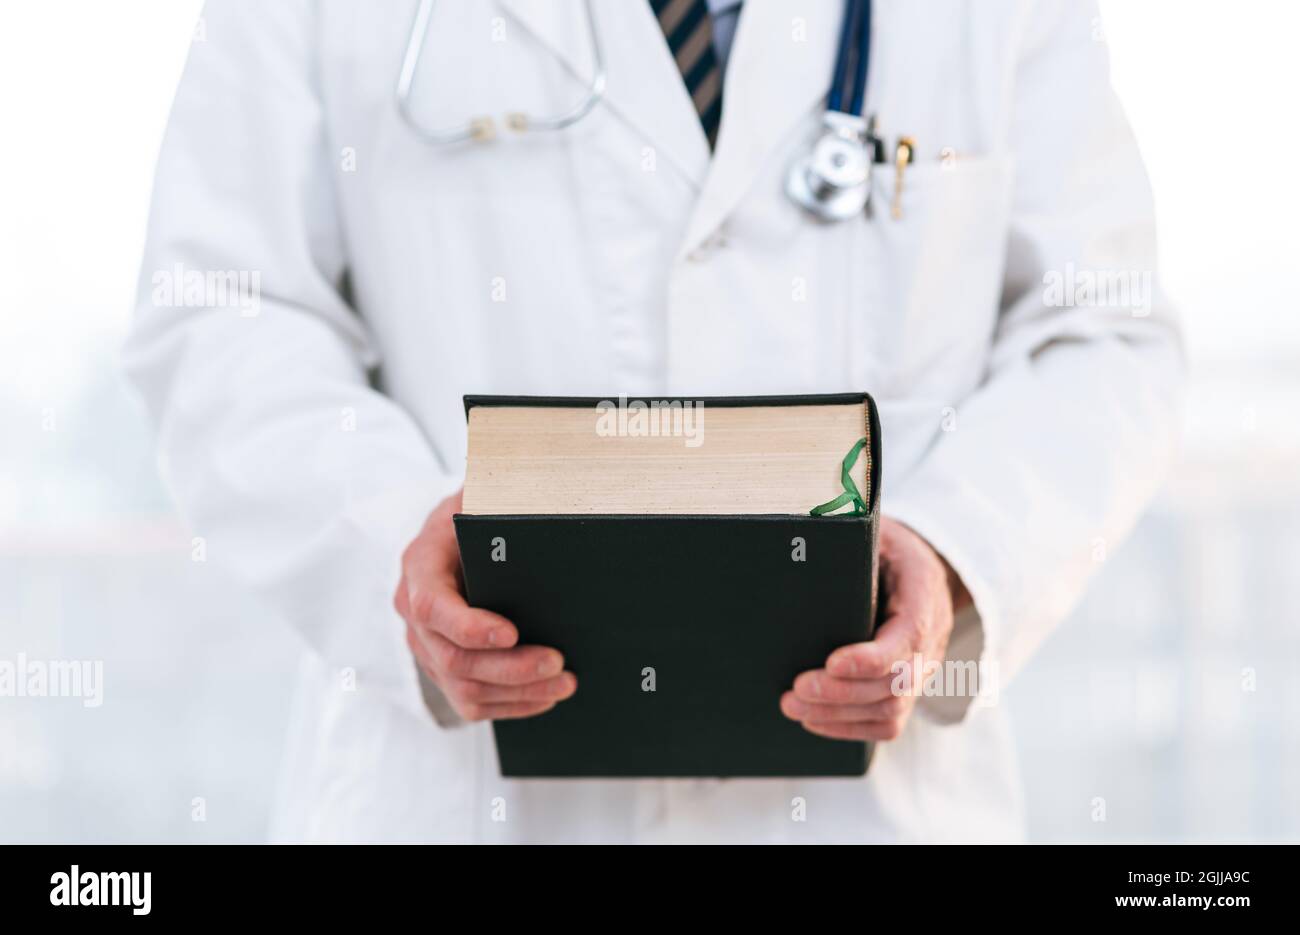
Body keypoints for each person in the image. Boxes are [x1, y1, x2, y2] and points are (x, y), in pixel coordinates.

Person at [124, 0, 1183, 842]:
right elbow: (223, 316)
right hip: (460, 800)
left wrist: (954, 557)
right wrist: (395, 549)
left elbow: (1104, 331)